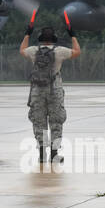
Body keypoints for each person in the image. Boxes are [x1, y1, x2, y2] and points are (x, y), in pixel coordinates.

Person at [20, 11, 80, 165]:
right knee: (56, 122)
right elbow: (77, 52)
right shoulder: (60, 52)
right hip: (55, 90)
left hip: (37, 91)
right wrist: (72, 35)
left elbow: (21, 50)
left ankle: (41, 154)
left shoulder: (34, 51)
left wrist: (27, 33)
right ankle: (54, 154)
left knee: (38, 122)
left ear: (41, 39)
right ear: (53, 39)